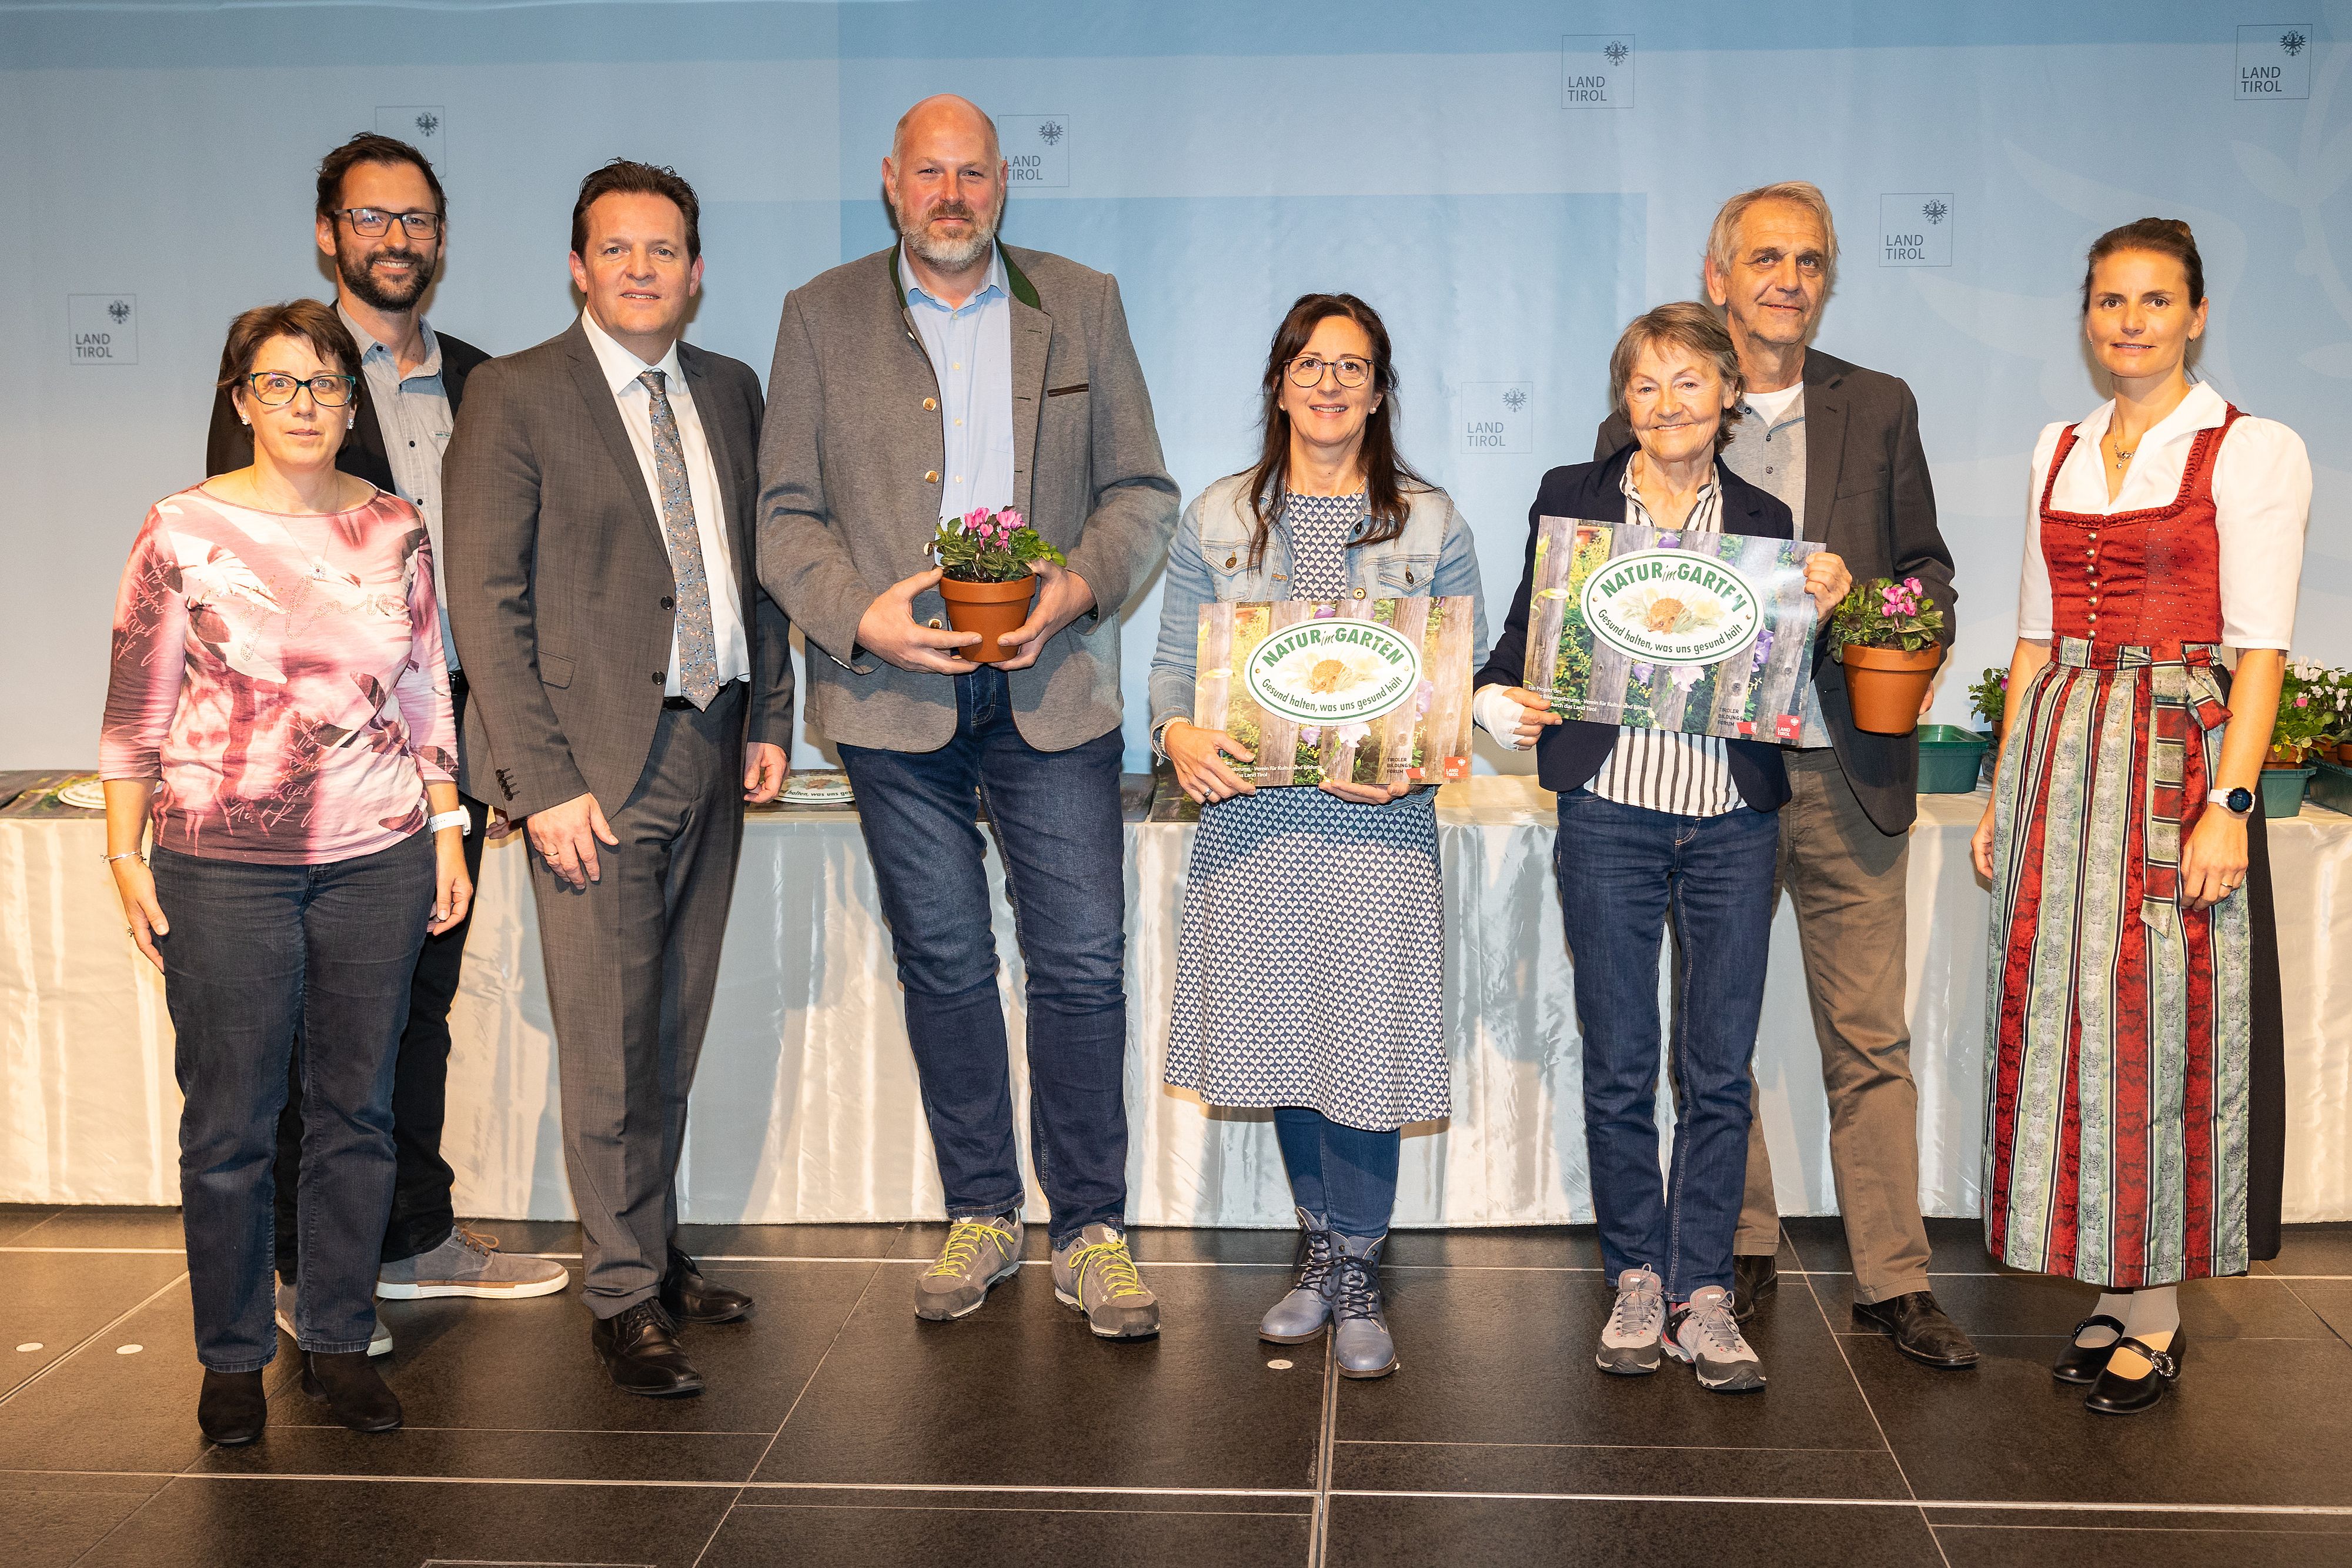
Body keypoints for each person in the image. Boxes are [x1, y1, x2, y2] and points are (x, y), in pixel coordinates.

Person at [756, 94, 1177, 1338]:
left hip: (1049, 689)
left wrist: (1080, 584)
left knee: (1082, 963)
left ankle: (1091, 1224)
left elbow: (1139, 490)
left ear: (1004, 185)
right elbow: (785, 515)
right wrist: (856, 616)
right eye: (928, 174)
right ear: (891, 182)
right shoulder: (818, 316)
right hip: (892, 701)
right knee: (943, 961)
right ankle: (985, 1208)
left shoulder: (1080, 299)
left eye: (974, 175)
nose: (952, 196)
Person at [1594, 182, 1974, 1368]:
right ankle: (1729, 1249)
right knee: (1715, 1033)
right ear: (1718, 277)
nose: (1787, 279)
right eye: (1764, 258)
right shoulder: (1651, 413)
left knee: (1867, 1037)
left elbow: (1926, 577)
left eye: (1809, 260)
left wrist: (1859, 604)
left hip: (1847, 769)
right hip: (1709, 783)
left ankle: (1894, 1279)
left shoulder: (1878, 406)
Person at [203, 133, 567, 1356]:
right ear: (328, 232)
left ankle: (409, 1234)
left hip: (451, 729)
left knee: (419, 999)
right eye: (371, 220)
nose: (395, 240)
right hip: (323, 765)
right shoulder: (289, 376)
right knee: (322, 1024)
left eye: (416, 220)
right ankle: (316, 1264)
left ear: (443, 239)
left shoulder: (481, 378)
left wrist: (492, 745)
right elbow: (255, 591)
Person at [443, 160, 794, 1397]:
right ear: (578, 266)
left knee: (673, 1027)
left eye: (665, 250)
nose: (642, 268)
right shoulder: (514, 392)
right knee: (605, 1040)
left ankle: (652, 1243)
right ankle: (619, 1293)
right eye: (618, 248)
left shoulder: (732, 389)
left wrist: (770, 715)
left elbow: (753, 569)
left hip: (712, 738)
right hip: (588, 770)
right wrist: (538, 782)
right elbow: (483, 602)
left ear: (696, 273)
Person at [101, 299, 472, 1445]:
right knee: (231, 1122)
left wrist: (448, 826)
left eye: (323, 383)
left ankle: (338, 1336)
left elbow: (425, 691)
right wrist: (123, 852)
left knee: (357, 1112)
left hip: (380, 858)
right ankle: (230, 1356)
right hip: (221, 869)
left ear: (351, 405)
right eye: (279, 381)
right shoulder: (181, 529)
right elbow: (134, 709)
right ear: (241, 397)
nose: (303, 402)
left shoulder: (397, 527)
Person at [1479, 302, 1851, 1394]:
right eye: (1647, 386)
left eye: (1691, 383)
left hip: (1734, 819)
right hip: (1608, 811)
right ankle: (1636, 1278)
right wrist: (1497, 703)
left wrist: (1819, 602)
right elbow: (1517, 645)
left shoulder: (1770, 517)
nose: (1669, 405)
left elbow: (1775, 667)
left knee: (1718, 1069)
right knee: (1622, 1061)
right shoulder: (1574, 501)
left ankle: (1705, 1293)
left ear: (1730, 396)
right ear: (1624, 401)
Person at [1972, 218, 2304, 1415]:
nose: (2128, 321)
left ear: (2194, 314)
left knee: (2162, 1024)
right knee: (2067, 1019)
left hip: (2172, 753)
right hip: (2062, 745)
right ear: (2086, 315)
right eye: (2109, 300)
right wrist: (2001, 792)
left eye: (2152, 300)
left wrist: (2228, 803)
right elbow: (2027, 631)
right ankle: (2110, 1286)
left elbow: (2260, 649)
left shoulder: (2250, 450)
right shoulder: (2054, 445)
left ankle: (2155, 1308)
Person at [1151, 293, 1491, 1379]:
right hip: (1256, 827)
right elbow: (1169, 670)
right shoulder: (1217, 515)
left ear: (1380, 389)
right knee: (1290, 1041)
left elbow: (1458, 679)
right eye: (1310, 364)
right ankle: (1320, 1251)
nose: (1330, 384)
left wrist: (1416, 758)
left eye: (1352, 367)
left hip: (1378, 834)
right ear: (1280, 382)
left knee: (1368, 1050)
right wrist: (1178, 732)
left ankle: (1361, 1269)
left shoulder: (1430, 524)